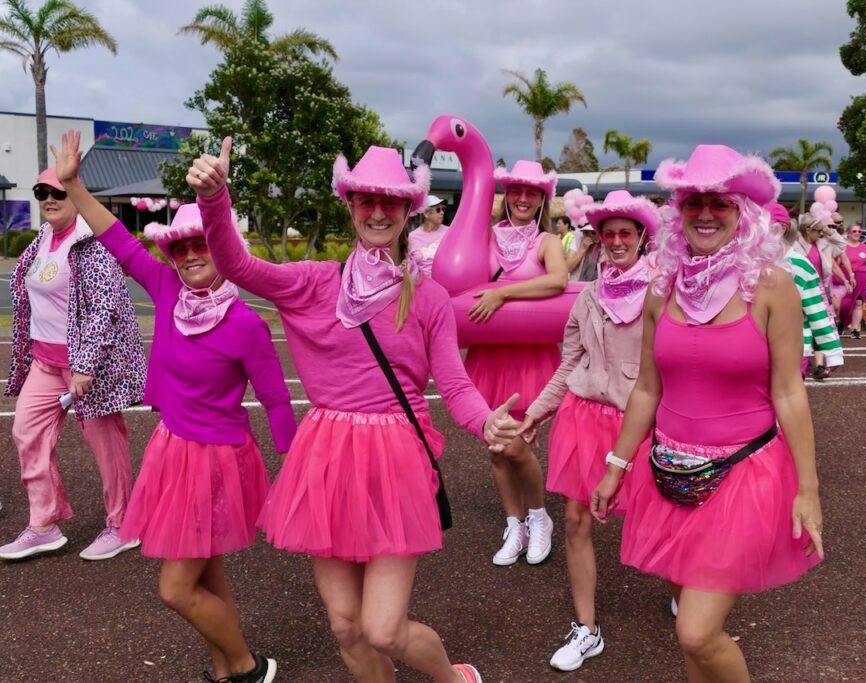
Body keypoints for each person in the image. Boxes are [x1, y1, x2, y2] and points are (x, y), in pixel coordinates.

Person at [188, 139, 521, 683]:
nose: (378, 212)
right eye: (367, 200)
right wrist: (216, 200)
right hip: (325, 460)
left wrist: (487, 422)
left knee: (384, 630)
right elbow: (236, 265)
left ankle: (454, 679)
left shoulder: (429, 297)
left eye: (391, 202)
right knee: (346, 627)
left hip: (395, 460)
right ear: (350, 205)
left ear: (409, 210)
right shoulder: (315, 281)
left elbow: (455, 385)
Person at [50, 130, 294, 682]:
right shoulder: (163, 288)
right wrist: (73, 184)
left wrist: (296, 470)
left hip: (217, 460)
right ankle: (226, 670)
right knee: (209, 579)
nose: (187, 256)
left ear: (223, 248)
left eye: (200, 244)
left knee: (175, 588)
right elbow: (117, 237)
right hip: (173, 450)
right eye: (179, 247)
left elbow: (277, 400)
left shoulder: (246, 324)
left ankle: (248, 666)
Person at [592, 145, 823, 682]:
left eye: (719, 202)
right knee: (691, 643)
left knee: (696, 631)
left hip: (744, 473)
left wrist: (808, 489)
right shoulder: (662, 286)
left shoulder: (772, 286)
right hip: (667, 473)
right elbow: (647, 388)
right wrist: (615, 466)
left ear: (742, 210)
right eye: (693, 201)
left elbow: (789, 392)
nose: (704, 213)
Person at [520, 190, 658, 671]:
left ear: (642, 237)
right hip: (581, 420)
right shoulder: (589, 296)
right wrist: (535, 414)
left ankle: (690, 595)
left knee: (659, 519)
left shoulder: (664, 293)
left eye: (626, 232)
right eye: (608, 233)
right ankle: (587, 629)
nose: (617, 241)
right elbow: (569, 365)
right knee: (577, 521)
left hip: (639, 426)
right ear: (598, 240)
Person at [0, 164, 145, 562]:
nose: (48, 199)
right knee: (26, 432)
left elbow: (104, 308)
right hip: (45, 363)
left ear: (75, 197)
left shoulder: (93, 243)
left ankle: (123, 523)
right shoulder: (42, 239)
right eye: (40, 192)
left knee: (106, 448)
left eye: (58, 192)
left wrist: (86, 365)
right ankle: (43, 524)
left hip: (87, 367)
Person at [464, 160, 569, 567]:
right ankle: (515, 522)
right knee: (496, 448)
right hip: (490, 356)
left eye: (532, 192)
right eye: (516, 191)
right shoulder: (484, 237)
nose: (523, 198)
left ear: (542, 198)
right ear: (506, 195)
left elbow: (558, 280)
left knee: (517, 445)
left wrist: (503, 295)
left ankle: (540, 517)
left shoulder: (546, 241)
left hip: (529, 359)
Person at [766, 204, 843, 378]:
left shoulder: (798, 264)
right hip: (752, 349)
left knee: (786, 398)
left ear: (780, 229)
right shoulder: (743, 261)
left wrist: (831, 350)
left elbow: (817, 308)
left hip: (792, 345)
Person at [794, 212, 845, 380]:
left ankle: (819, 365)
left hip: (820, 290)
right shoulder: (794, 245)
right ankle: (800, 359)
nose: (821, 233)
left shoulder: (824, 244)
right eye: (818, 230)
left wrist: (828, 230)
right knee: (800, 327)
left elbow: (842, 244)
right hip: (798, 291)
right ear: (808, 231)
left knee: (819, 324)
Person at [839, 223, 866, 339]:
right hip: (846, 277)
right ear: (848, 233)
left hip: (861, 277)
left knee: (859, 303)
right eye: (854, 231)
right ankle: (841, 322)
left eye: (859, 231)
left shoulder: (865, 248)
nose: (857, 234)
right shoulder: (842, 247)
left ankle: (855, 329)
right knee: (843, 304)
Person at [408, 195, 449, 278]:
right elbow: (409, 265)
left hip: (446, 282)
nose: (442, 212)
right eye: (438, 210)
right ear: (426, 214)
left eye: (443, 209)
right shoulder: (412, 237)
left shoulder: (449, 232)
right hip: (422, 284)